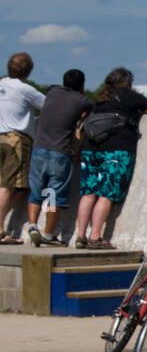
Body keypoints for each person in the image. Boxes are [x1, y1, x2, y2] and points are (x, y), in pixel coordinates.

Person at [74, 67, 147, 249]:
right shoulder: (129, 96)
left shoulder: (99, 100)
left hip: (91, 149)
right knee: (106, 194)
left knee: (88, 193)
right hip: (116, 150)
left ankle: (80, 235)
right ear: (128, 82)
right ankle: (96, 237)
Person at [25, 69, 93, 246]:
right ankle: (48, 234)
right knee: (54, 195)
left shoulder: (53, 91)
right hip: (61, 151)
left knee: (36, 191)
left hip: (39, 148)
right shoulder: (83, 101)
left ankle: (32, 225)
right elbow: (84, 121)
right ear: (82, 85)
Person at [0, 53, 45, 243]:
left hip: (1, 137)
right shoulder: (26, 90)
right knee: (9, 186)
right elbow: (49, 106)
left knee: (18, 187)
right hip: (16, 140)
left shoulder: (2, 84)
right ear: (28, 71)